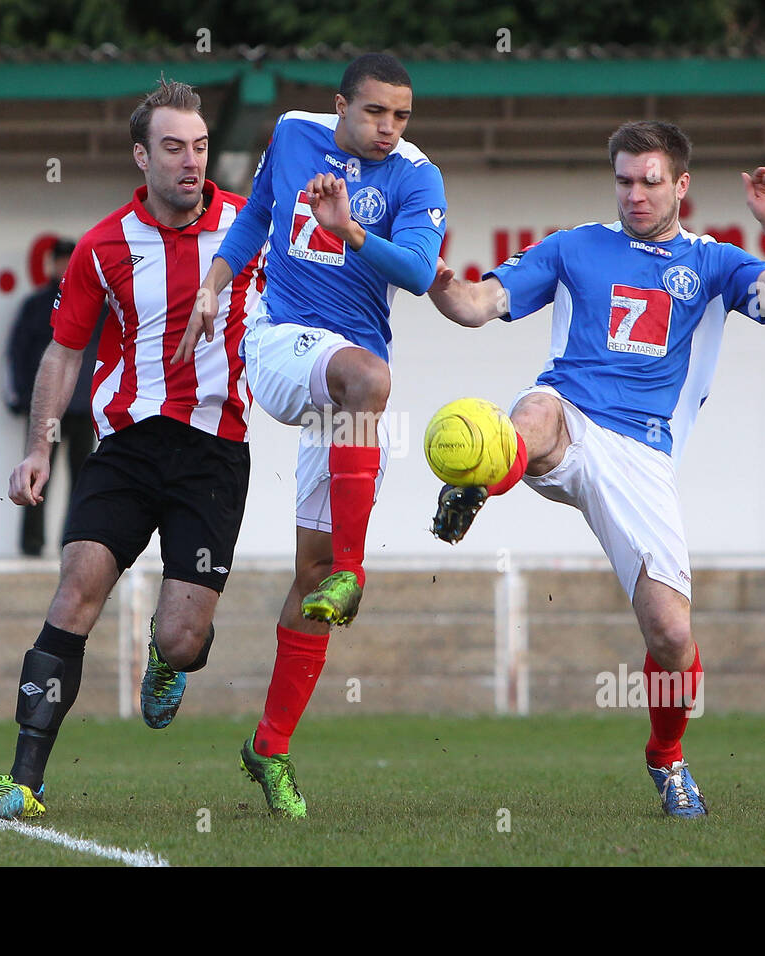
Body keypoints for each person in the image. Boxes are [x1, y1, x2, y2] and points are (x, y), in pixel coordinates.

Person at [425, 121, 765, 817]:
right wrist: (431, 276)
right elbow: (476, 305)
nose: (635, 195)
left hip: (643, 454)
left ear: (681, 186)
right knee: (532, 414)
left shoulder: (713, 263)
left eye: (650, 181)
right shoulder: (575, 247)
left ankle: (667, 758)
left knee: (670, 635)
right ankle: (477, 484)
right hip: (569, 417)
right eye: (624, 181)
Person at [0, 79, 264, 820]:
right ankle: (23, 783)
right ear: (142, 155)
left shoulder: (250, 230)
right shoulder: (102, 247)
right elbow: (63, 353)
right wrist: (38, 448)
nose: (191, 161)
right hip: (125, 445)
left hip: (214, 450)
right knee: (76, 589)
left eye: (198, 147)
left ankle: (173, 658)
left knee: (183, 635)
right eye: (173, 148)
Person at [174, 52, 448, 818]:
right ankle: (356, 572)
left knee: (311, 575)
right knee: (372, 382)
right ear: (340, 105)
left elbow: (422, 274)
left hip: (348, 386)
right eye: (375, 113)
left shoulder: (418, 177)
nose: (389, 129)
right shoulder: (294, 133)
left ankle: (269, 745)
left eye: (401, 116)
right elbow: (258, 214)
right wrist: (215, 284)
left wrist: (350, 230)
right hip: (283, 338)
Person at [4, 237, 102, 556]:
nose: (64, 268)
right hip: (48, 410)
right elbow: (17, 353)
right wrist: (21, 395)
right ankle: (32, 543)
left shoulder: (96, 304)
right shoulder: (36, 306)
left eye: (69, 261)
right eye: (60, 261)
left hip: (83, 408)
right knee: (35, 476)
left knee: (81, 481)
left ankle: (70, 544)